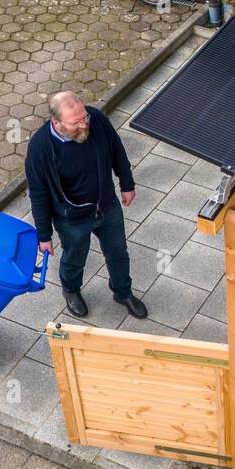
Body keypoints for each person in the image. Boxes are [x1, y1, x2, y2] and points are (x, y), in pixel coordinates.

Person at [25, 90, 147, 320]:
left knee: (118, 252)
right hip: (72, 218)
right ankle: (71, 290)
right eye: (76, 122)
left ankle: (122, 292)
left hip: (107, 206)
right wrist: (44, 235)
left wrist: (127, 183)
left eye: (84, 118)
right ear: (56, 122)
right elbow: (38, 194)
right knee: (74, 257)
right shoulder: (40, 148)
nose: (83, 125)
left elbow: (116, 149)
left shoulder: (96, 119)